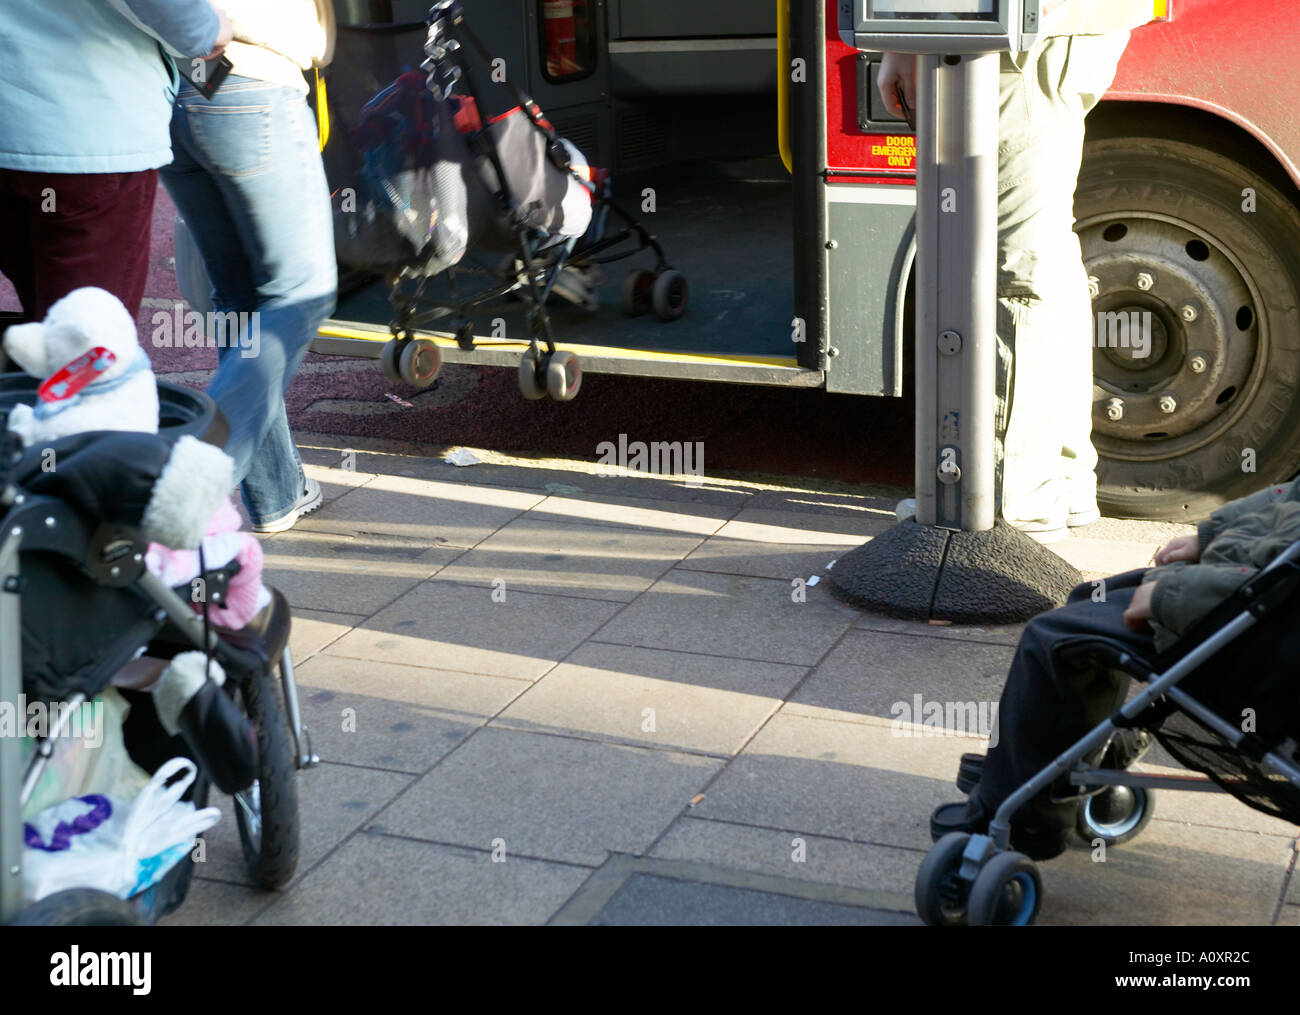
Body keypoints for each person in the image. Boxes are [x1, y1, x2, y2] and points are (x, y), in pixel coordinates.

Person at [878, 0, 1160, 543]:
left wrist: (903, 33)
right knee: (1042, 253)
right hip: (1056, 24)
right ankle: (1061, 483)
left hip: (1017, 31)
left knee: (1014, 264)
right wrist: (903, 38)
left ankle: (1012, 506)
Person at [929, 474, 1300, 858]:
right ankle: (1057, 761)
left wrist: (1172, 595)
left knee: (1054, 638)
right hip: (1245, 589)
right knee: (1088, 601)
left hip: (1252, 633)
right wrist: (1208, 536)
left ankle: (1028, 819)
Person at [160, 0, 338, 533]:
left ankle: (276, 494)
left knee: (239, 299)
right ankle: (193, 470)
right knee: (301, 293)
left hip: (175, 92)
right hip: (253, 81)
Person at [0, 0, 231, 323]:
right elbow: (171, 15)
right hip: (86, 138)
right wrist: (211, 27)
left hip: (17, 131)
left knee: (47, 326)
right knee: (89, 342)